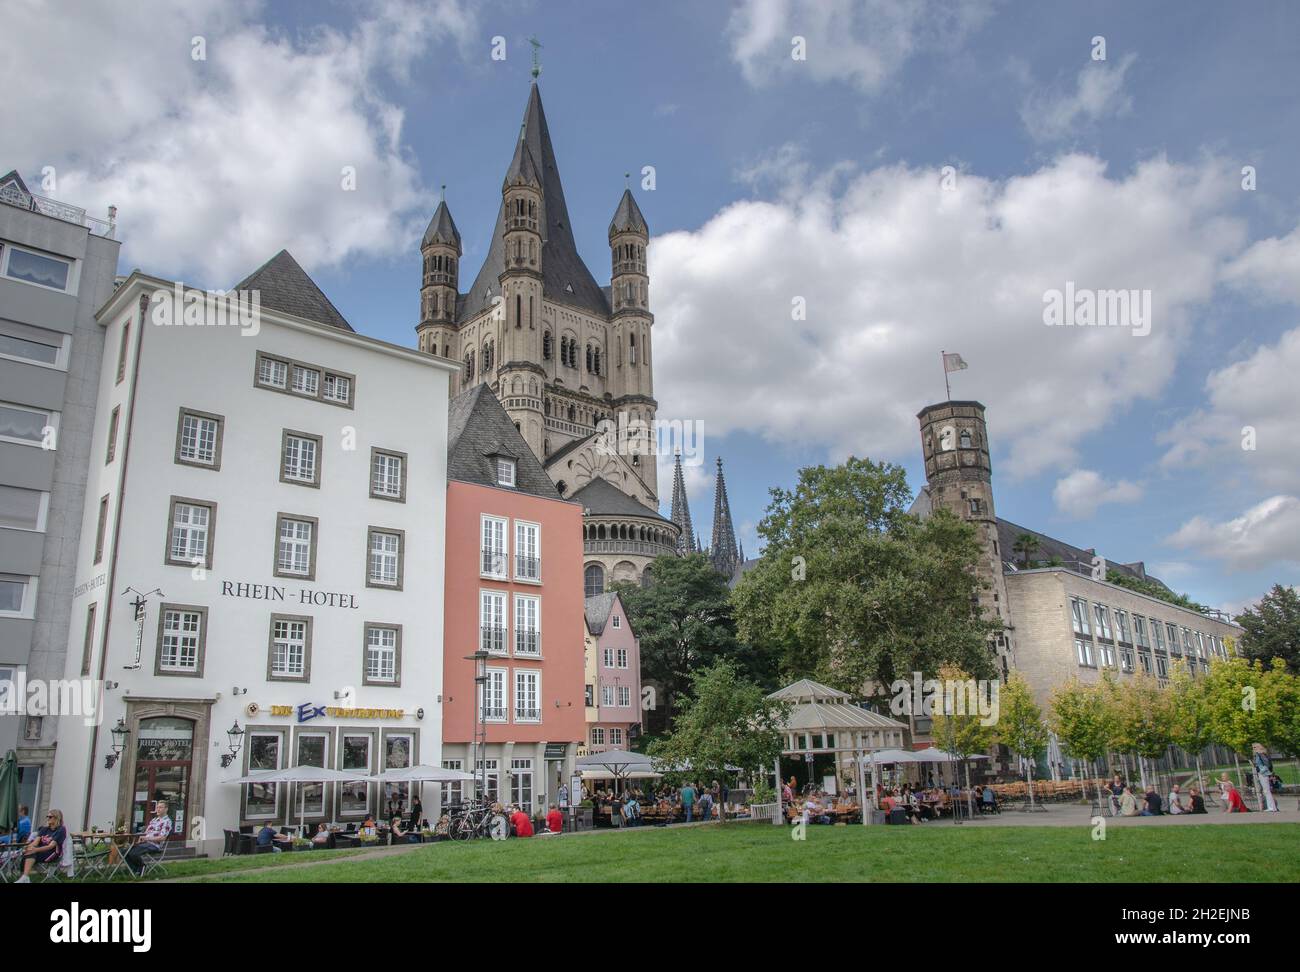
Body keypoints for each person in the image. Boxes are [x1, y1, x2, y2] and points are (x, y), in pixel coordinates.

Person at [15, 808, 67, 882]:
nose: (48, 818)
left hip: (53, 853)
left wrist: (35, 849)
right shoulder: (44, 829)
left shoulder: (61, 830)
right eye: (47, 816)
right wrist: (28, 847)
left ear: (57, 817)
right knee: (27, 852)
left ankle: (25, 878)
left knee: (31, 852)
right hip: (40, 851)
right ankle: (24, 877)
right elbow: (35, 843)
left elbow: (51, 846)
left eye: (50, 817)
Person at [125, 800, 173, 875]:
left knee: (133, 852)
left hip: (154, 845)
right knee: (124, 851)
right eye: (157, 807)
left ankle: (142, 867)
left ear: (166, 809)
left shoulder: (167, 822)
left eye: (160, 807)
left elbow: (162, 838)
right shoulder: (154, 820)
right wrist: (141, 837)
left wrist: (147, 838)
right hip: (145, 843)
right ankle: (135, 870)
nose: (158, 809)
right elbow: (146, 833)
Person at [1252, 744, 1280, 812]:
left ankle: (1272, 807)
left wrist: (1261, 771)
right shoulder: (1259, 755)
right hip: (1263, 773)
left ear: (1259, 747)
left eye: (1255, 747)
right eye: (1253, 747)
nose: (1254, 749)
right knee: (1266, 791)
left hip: (1263, 773)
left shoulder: (1260, 754)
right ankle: (1271, 807)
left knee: (1267, 791)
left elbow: (1267, 764)